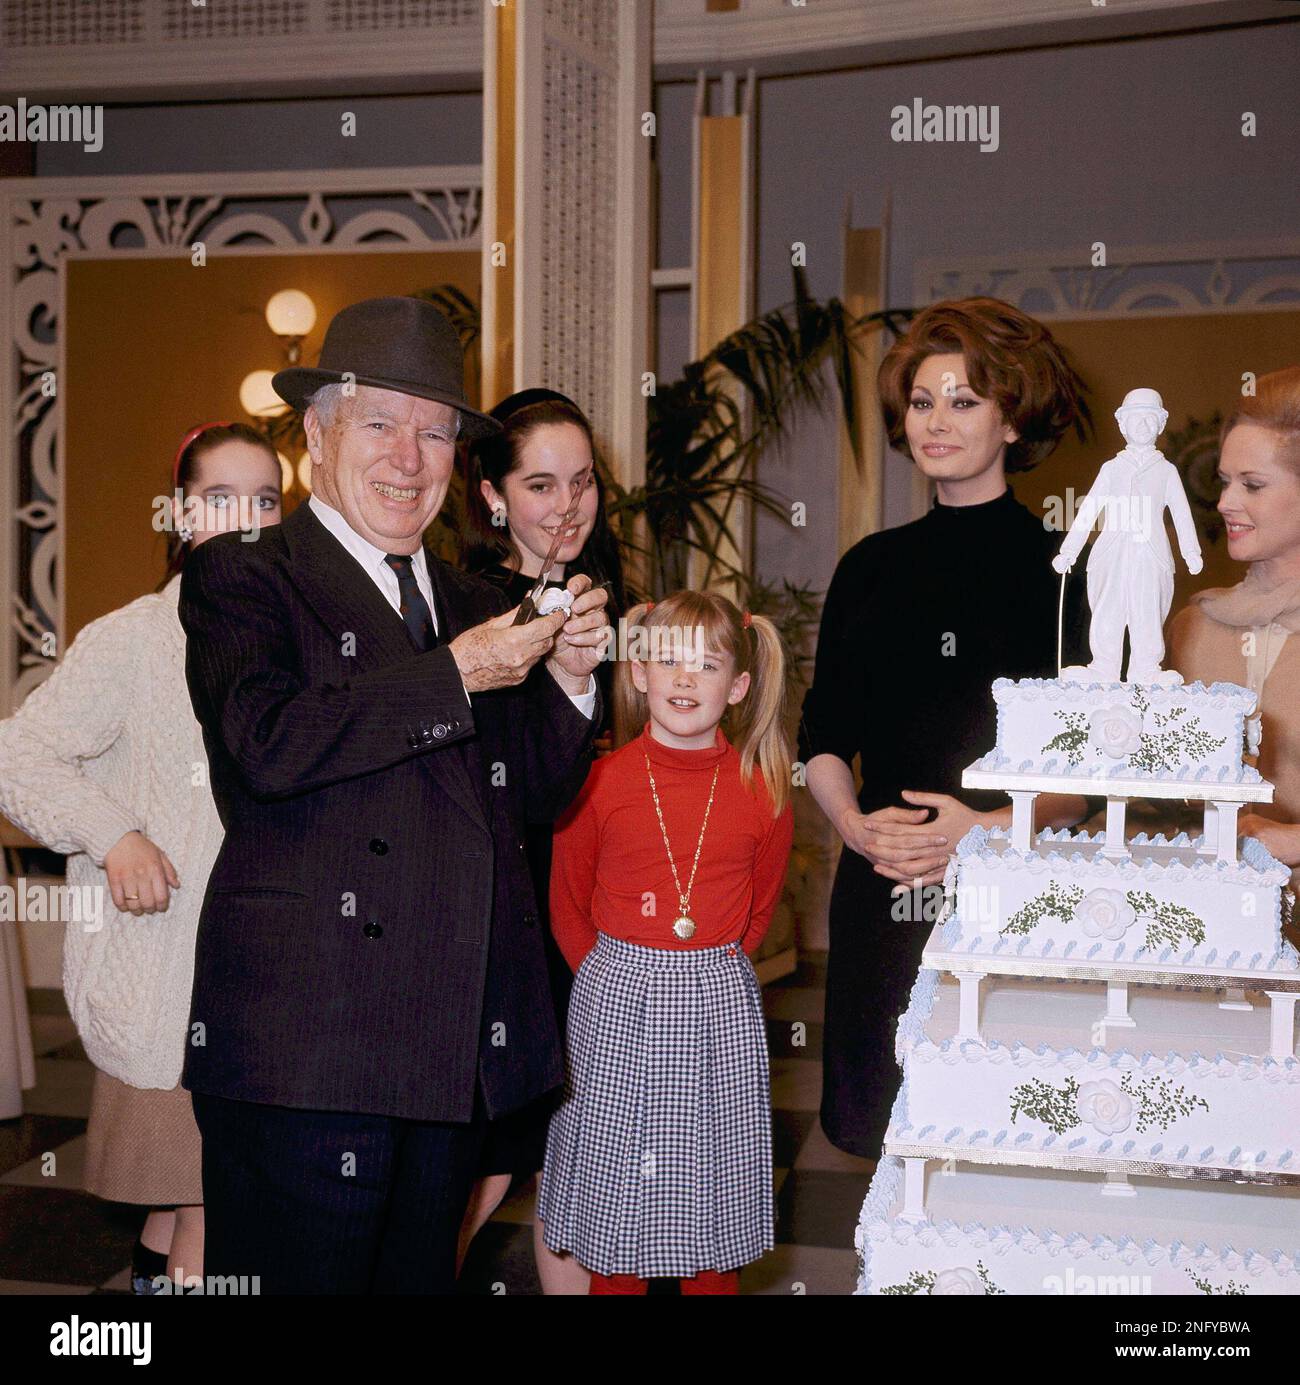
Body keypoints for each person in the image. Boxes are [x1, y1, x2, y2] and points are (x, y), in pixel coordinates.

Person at [178, 296, 608, 1295]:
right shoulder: (247, 575)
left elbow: (533, 796)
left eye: (435, 433)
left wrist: (572, 680)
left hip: (444, 1047)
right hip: (305, 1049)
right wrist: (456, 675)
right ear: (318, 434)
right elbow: (265, 743)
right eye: (380, 422)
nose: (408, 458)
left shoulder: (470, 599)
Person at [799, 297, 1089, 1159]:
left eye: (964, 400)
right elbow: (822, 738)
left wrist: (984, 831)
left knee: (1005, 1137)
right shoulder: (869, 567)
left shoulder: (1063, 570)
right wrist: (851, 824)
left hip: (1011, 894)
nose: (937, 420)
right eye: (923, 400)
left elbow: (1086, 780)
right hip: (882, 889)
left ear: (1010, 418)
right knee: (891, 1141)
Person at [0, 422, 282, 1292]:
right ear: (179, 513)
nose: (248, 519)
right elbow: (19, 754)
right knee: (212, 1206)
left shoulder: (290, 635)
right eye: (222, 498)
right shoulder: (135, 636)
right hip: (172, 983)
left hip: (262, 976)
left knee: (182, 1204)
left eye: (267, 500)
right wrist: (112, 832)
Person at [538, 590, 794, 1294]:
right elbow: (566, 903)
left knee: (708, 1190)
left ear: (738, 687)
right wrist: (611, 975)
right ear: (639, 672)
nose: (685, 679)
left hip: (716, 1000)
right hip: (615, 1000)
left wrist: (703, 970)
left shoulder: (762, 790)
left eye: (707, 665)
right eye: (669, 661)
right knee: (617, 1195)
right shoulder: (597, 781)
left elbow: (757, 911)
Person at [457, 387, 626, 1294]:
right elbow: (520, 783)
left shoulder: (597, 596)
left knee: (566, 1158)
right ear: (491, 495)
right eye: (539, 484)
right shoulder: (476, 606)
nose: (567, 505)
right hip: (506, 914)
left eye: (584, 482)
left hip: (585, 904)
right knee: (486, 1158)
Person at [1168, 366, 1300, 876]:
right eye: (1225, 481)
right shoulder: (1192, 627)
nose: (1225, 502)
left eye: (1253, 485)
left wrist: (1292, 839)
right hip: (1206, 930)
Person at [1054, 387, 1203, 683]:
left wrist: (1191, 552)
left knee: (1146, 608)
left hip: (1151, 553)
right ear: (1122, 424)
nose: (1143, 425)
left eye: (1150, 419)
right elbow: (1089, 510)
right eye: (1136, 419)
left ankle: (1146, 668)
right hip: (1113, 550)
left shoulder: (1167, 471)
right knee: (1108, 608)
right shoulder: (1111, 469)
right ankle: (1104, 666)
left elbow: (1182, 513)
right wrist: (1068, 551)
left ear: (1161, 425)